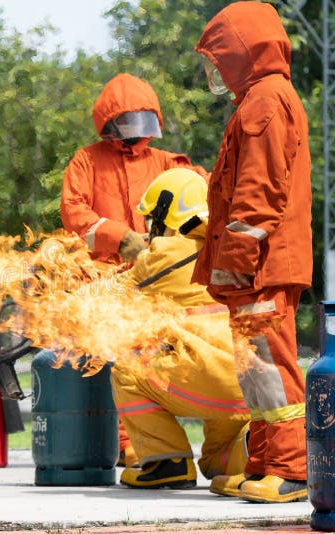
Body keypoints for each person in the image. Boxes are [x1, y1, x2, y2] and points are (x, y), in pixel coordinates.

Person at [192, 1, 312, 503]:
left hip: (260, 267)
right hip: (256, 266)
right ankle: (265, 463)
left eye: (219, 58)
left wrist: (237, 259)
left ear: (242, 52)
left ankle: (293, 469)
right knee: (257, 368)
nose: (215, 70)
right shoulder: (258, 98)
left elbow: (260, 192)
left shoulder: (265, 100)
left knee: (271, 368)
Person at [60, 73, 207, 467]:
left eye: (139, 123)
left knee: (184, 360)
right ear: (105, 123)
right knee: (123, 360)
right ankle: (134, 445)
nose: (132, 134)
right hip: (111, 284)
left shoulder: (170, 164)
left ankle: (214, 450)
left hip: (164, 283)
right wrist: (118, 236)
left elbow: (201, 206)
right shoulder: (87, 161)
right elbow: (74, 212)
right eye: (122, 124)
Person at [111, 168, 250, 489]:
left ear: (164, 214)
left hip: (201, 378)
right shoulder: (230, 248)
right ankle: (254, 445)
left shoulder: (162, 253)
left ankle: (166, 461)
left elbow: (115, 299)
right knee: (217, 463)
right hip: (248, 384)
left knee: (126, 370)